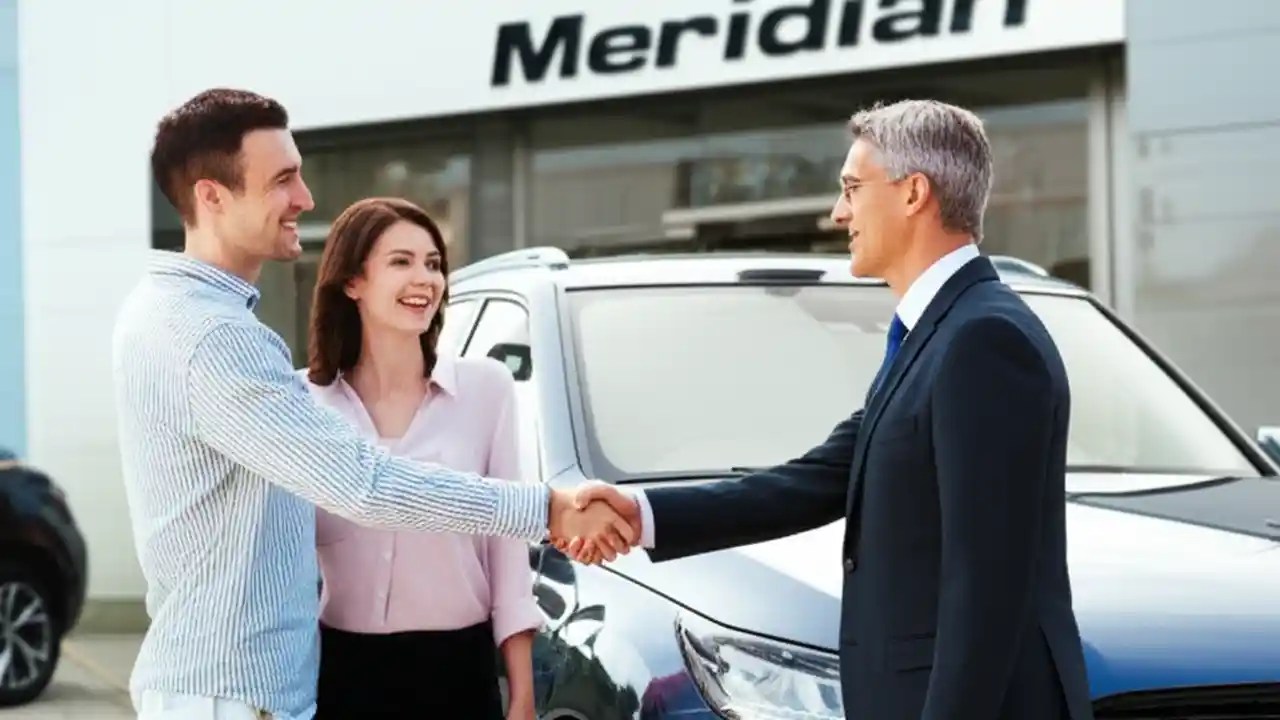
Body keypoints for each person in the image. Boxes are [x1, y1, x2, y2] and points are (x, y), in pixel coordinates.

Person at [114, 88, 634, 720]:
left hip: (235, 683)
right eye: (283, 180)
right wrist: (547, 509)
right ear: (212, 196)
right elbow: (364, 484)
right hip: (234, 692)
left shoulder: (160, 313)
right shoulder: (219, 337)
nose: (304, 200)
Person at [566, 99, 1095, 720]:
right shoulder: (939, 334)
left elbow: (986, 588)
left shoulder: (983, 341)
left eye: (851, 188)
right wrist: (643, 512)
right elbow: (813, 481)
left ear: (913, 193)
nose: (838, 211)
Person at [298, 197, 540, 719]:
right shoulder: (302, 405)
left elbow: (508, 555)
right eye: (401, 261)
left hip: (458, 672)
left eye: (433, 263)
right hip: (341, 674)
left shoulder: (486, 390)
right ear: (352, 282)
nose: (426, 278)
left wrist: (521, 695)